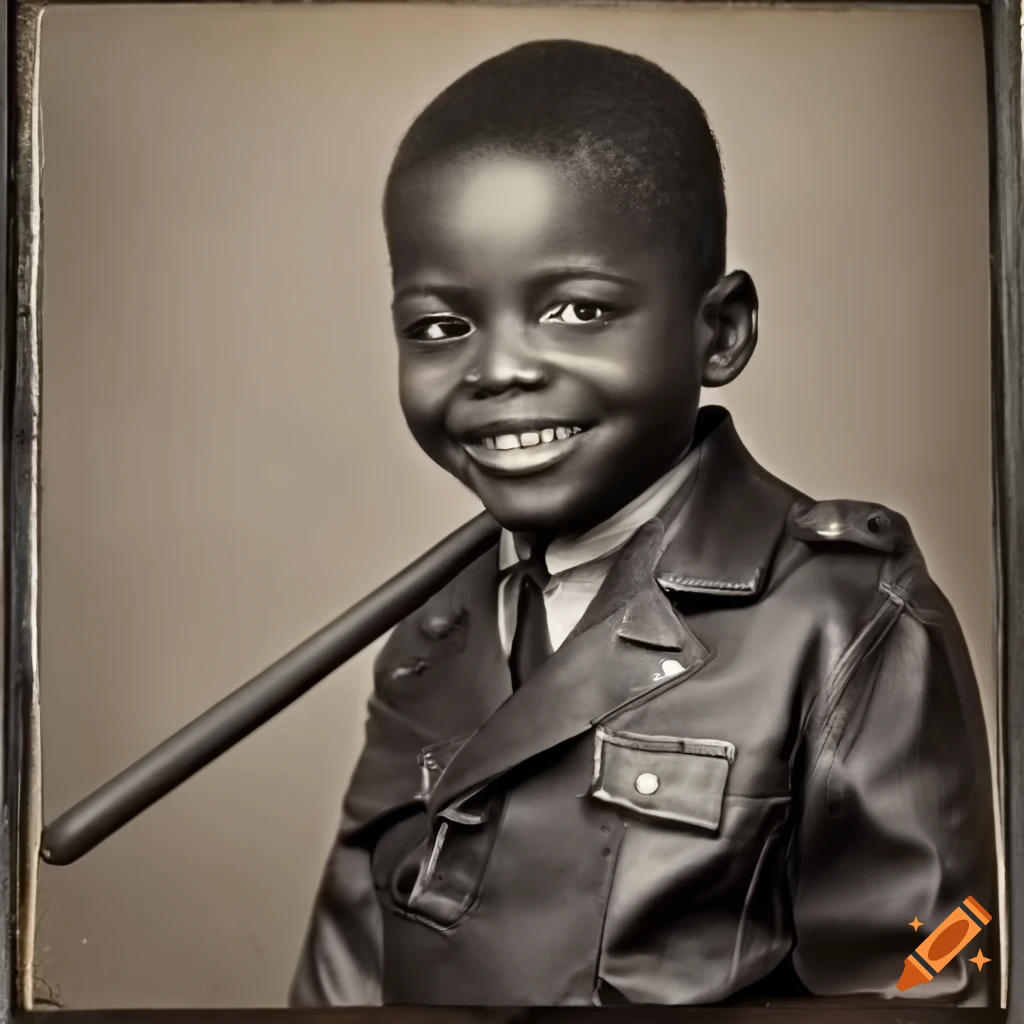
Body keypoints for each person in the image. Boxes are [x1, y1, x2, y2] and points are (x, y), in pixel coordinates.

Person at [290, 39, 998, 1007]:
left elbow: (929, 978)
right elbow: (344, 977)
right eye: (440, 327)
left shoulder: (844, 623)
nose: (496, 369)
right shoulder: (428, 639)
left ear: (720, 331)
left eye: (577, 309)